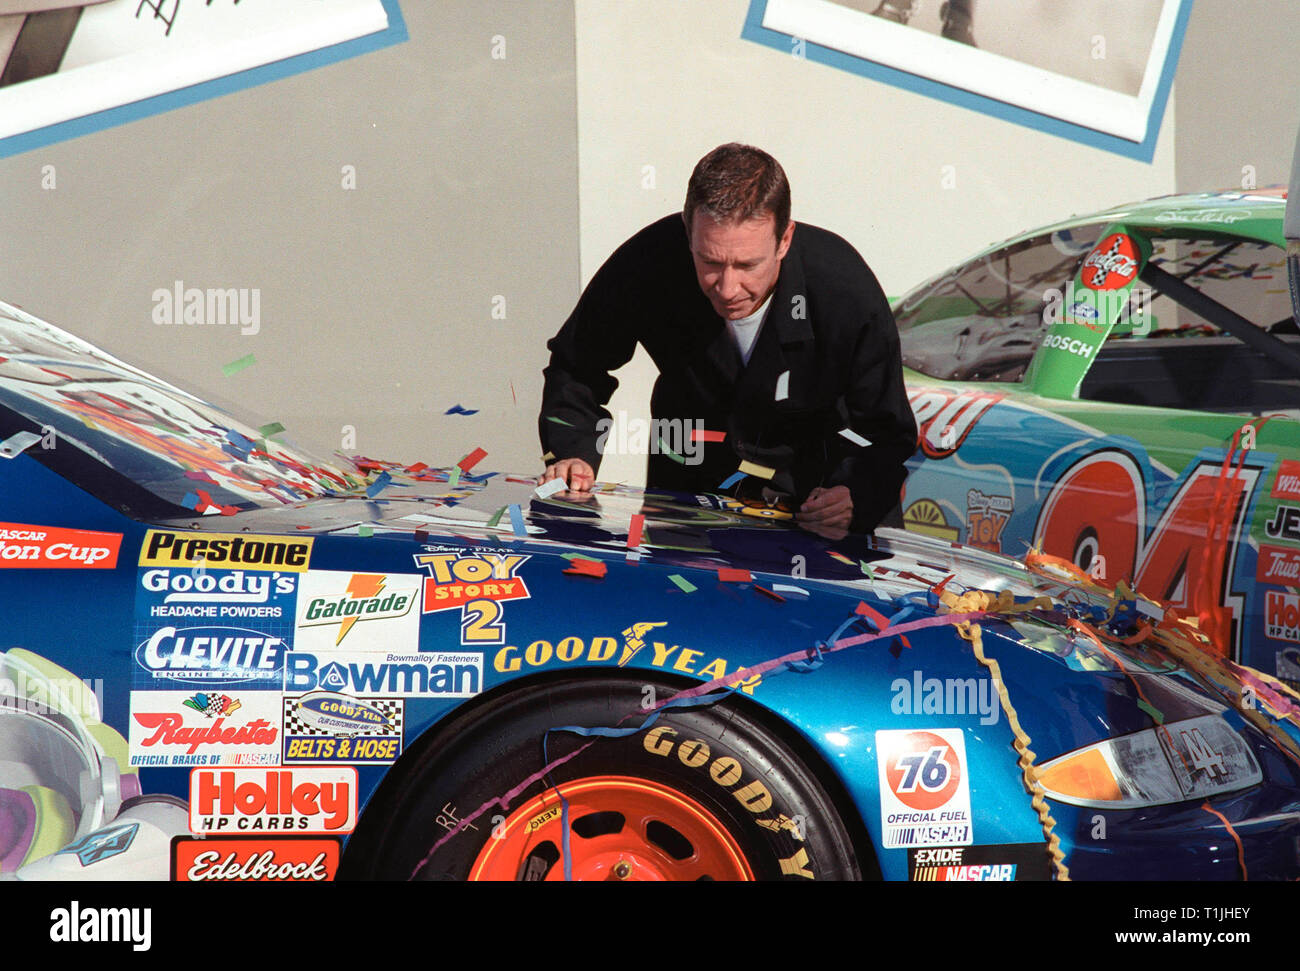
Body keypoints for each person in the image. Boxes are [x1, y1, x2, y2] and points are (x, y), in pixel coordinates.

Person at [538, 143, 917, 537]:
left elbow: (889, 431)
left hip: (819, 504)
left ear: (785, 240)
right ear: (688, 234)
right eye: (710, 262)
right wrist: (572, 453)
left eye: (748, 265)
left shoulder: (844, 289)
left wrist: (857, 494)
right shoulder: (648, 261)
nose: (728, 287)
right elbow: (577, 364)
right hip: (688, 494)